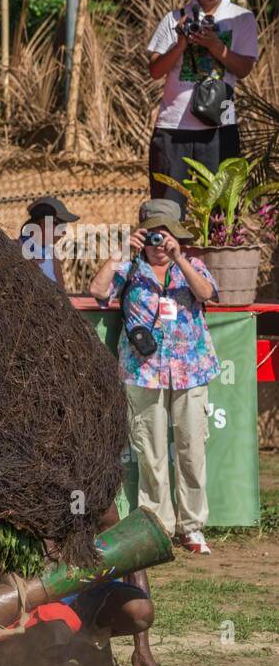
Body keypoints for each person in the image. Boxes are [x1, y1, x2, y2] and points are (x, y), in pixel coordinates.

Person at [88, 208, 219, 555]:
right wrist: (120, 254)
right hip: (143, 373)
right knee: (151, 453)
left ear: (176, 236)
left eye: (165, 234)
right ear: (141, 235)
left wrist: (180, 259)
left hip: (190, 371)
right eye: (151, 234)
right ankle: (158, 527)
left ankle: (192, 529)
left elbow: (205, 293)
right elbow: (97, 289)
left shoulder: (190, 264)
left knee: (192, 451)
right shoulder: (130, 267)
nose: (158, 242)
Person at [147, 0, 257, 209]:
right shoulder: (175, 18)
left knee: (219, 216)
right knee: (167, 213)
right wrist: (181, 44)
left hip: (220, 128)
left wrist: (214, 45)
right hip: (173, 129)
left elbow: (243, 69)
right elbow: (155, 71)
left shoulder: (241, 19)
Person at [18, 196, 78, 286]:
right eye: (60, 225)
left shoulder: (52, 255)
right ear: (45, 223)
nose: (64, 232)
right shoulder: (16, 249)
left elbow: (61, 294)